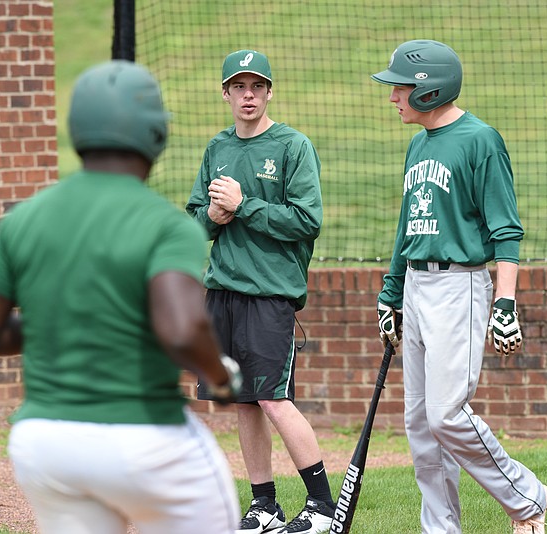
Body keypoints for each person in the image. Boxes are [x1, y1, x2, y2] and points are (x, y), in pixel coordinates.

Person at [0, 60, 242, 534]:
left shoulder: (26, 217)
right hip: (145, 442)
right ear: (155, 133)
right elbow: (182, 328)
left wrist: (58, 323)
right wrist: (221, 375)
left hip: (44, 445)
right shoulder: (167, 225)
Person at [371, 40, 547, 534]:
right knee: (419, 425)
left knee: (446, 415)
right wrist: (391, 294)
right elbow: (408, 226)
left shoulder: (480, 140)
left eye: (400, 88)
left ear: (429, 91)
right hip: (416, 286)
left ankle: (526, 497)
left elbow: (506, 230)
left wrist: (506, 302)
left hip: (459, 286)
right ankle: (440, 528)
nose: (393, 98)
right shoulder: (417, 144)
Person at [185, 49, 331, 534]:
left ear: (269, 92)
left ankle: (322, 507)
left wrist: (244, 207)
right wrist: (214, 216)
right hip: (222, 292)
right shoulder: (217, 148)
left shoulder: (292, 146)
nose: (248, 96)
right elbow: (193, 224)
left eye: (257, 87)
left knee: (272, 398)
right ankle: (265, 505)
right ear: (225, 93)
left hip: (270, 293)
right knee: (243, 400)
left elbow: (307, 221)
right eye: (239, 87)